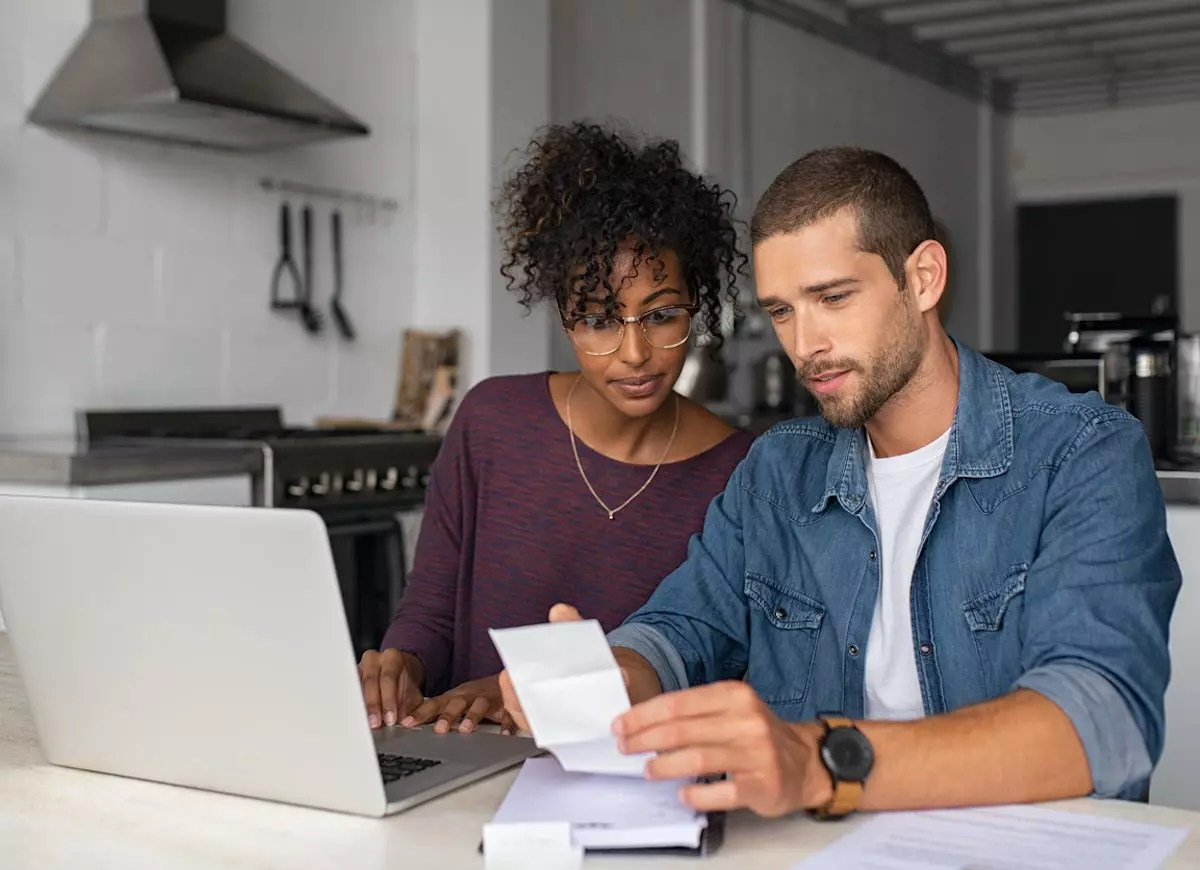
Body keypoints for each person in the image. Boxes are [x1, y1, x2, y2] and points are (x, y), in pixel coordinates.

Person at [501, 146, 1181, 819]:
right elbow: (682, 628)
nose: (804, 344)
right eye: (783, 311)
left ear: (923, 278)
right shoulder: (777, 472)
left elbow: (1102, 720)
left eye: (832, 298)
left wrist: (823, 762)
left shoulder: (1081, 451)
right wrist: (612, 676)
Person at [358, 121, 755, 736]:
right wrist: (400, 665)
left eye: (661, 315)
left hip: (627, 786)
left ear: (696, 307)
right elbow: (431, 613)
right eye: (598, 320)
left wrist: (520, 693)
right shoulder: (491, 422)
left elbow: (712, 665)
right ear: (565, 319)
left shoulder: (739, 473)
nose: (634, 353)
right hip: (461, 766)